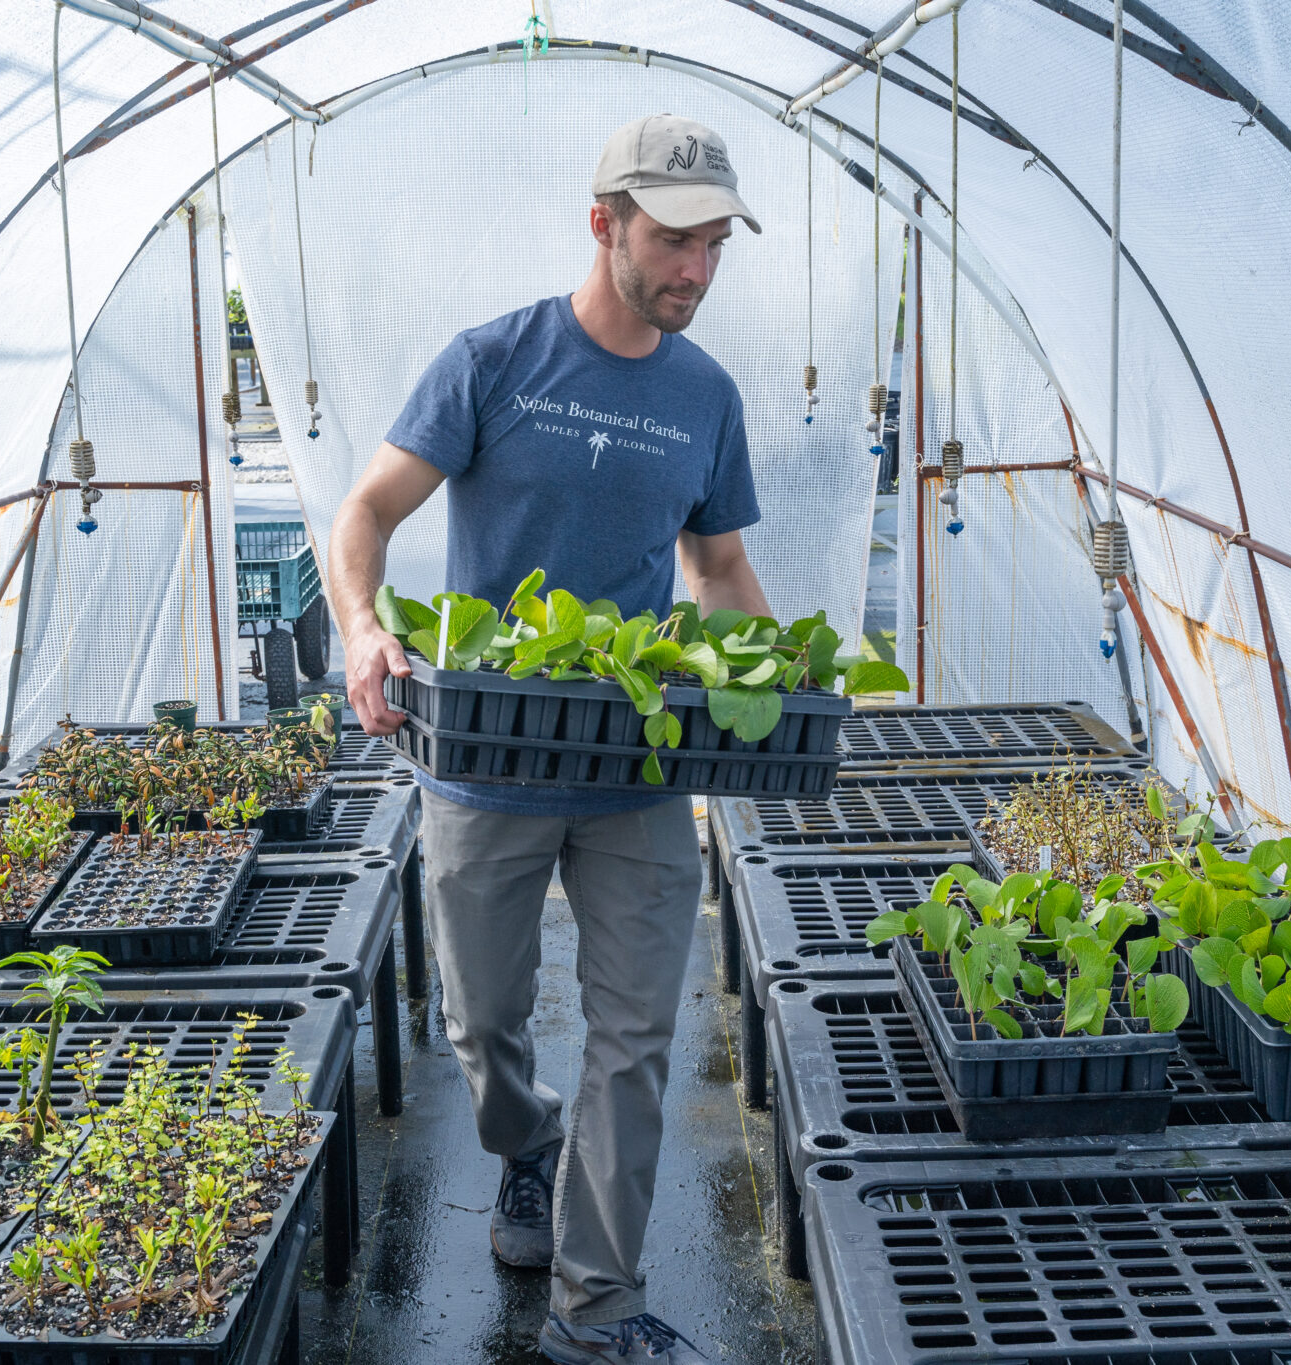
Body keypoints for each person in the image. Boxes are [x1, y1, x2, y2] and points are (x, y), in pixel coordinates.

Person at [325, 114, 768, 1365]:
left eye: (713, 245)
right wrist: (364, 631)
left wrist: (779, 686)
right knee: (481, 1021)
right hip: (485, 757)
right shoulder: (493, 362)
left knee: (634, 1040)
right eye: (673, 240)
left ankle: (597, 1305)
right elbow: (365, 508)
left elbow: (720, 562)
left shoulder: (705, 396)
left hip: (632, 765)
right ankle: (522, 1144)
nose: (693, 269)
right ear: (603, 224)